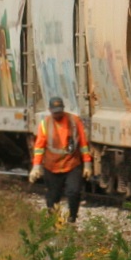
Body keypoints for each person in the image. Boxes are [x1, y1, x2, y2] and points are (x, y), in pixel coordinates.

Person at [28, 96, 91, 226]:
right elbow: (39, 147)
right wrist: (36, 167)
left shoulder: (74, 121)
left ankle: (72, 218)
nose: (58, 114)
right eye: (55, 111)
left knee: (74, 191)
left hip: (72, 164)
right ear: (50, 110)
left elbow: (83, 144)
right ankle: (54, 222)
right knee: (53, 197)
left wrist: (87, 164)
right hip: (52, 166)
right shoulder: (45, 124)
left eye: (59, 111)